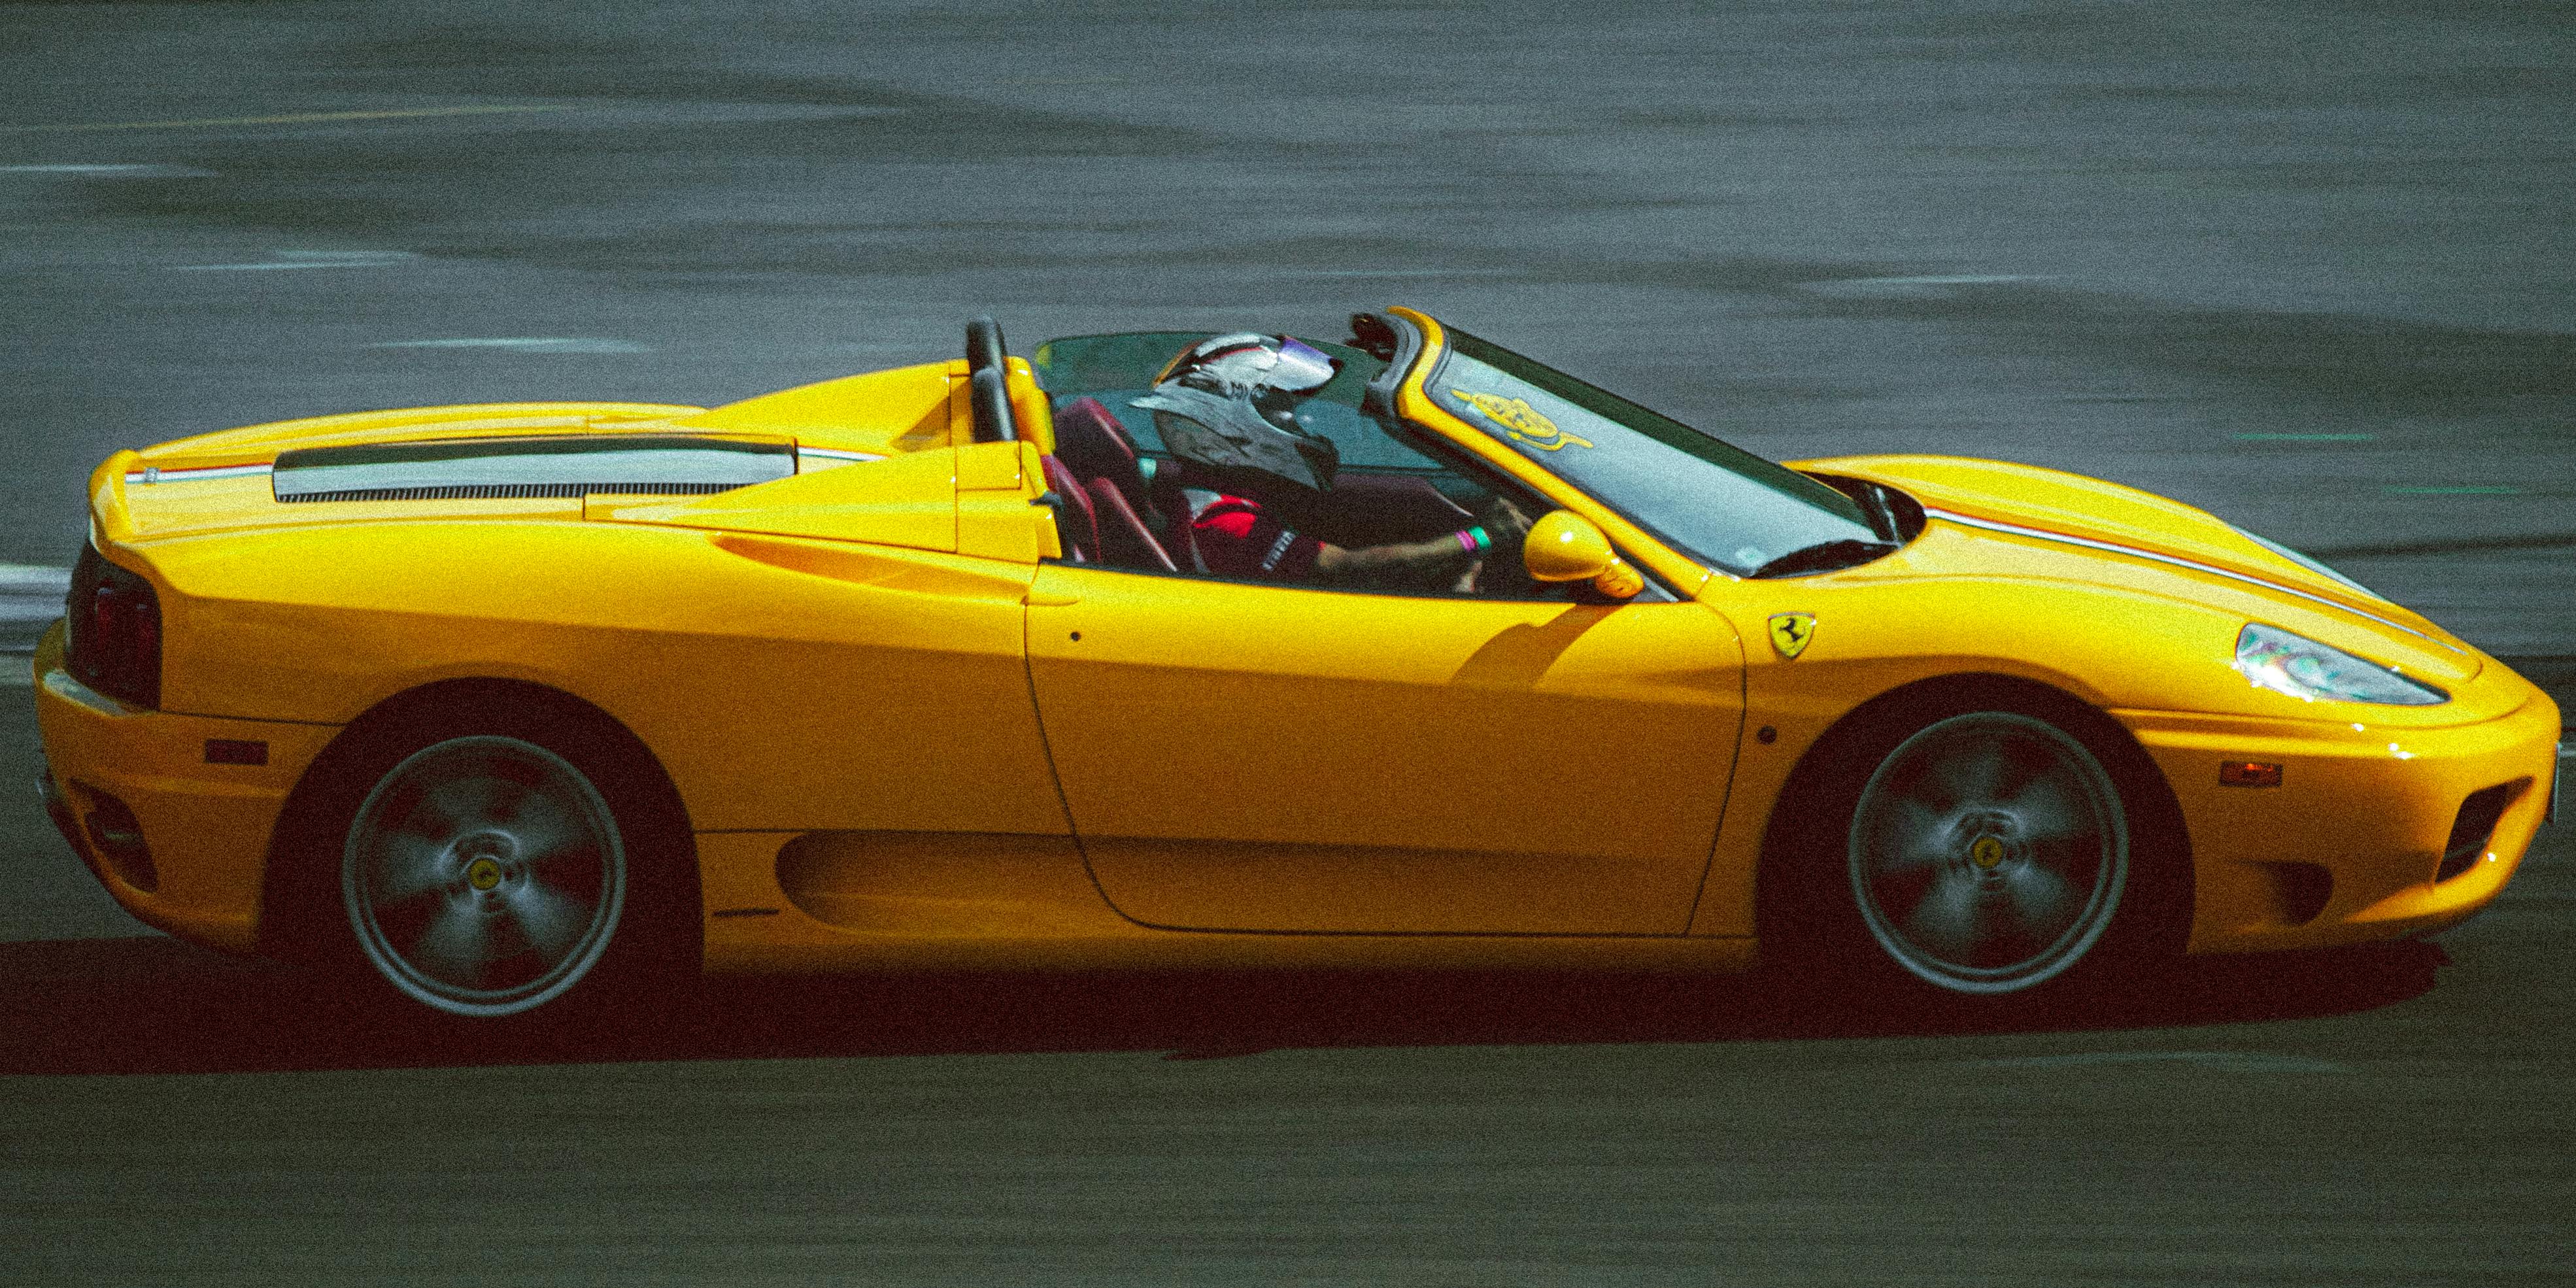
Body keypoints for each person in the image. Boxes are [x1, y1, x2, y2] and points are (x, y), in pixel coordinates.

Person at [1132, 333, 1531, 592]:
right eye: (1283, 409)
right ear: (1225, 424)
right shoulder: (1224, 523)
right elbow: (1344, 568)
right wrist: (1480, 538)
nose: (1301, 422)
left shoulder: (1212, 495)